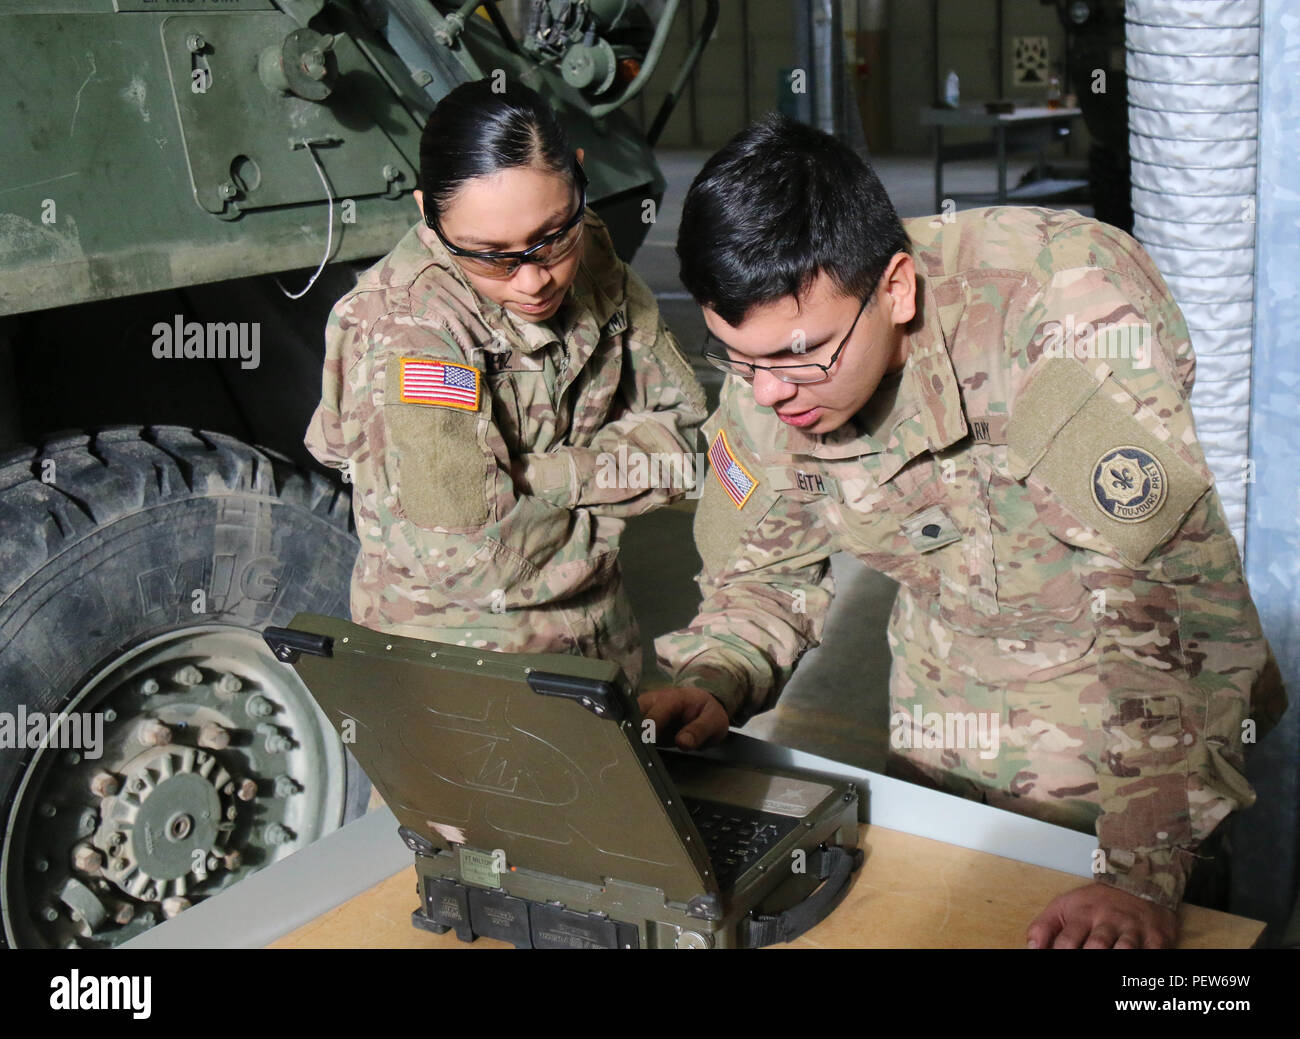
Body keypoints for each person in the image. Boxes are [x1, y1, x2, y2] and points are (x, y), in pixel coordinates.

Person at [642, 113, 1284, 948]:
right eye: (740, 358)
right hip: (937, 734)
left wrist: (1138, 874)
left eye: (798, 359)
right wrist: (716, 672)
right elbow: (763, 572)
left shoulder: (1060, 305)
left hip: (1122, 752)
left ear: (897, 289)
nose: (768, 394)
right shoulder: (778, 365)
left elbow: (1172, 603)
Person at [305, 79, 707, 687]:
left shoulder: (589, 243)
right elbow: (475, 559)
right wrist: (612, 501)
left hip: (602, 648)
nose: (533, 279)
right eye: (491, 255)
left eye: (550, 238)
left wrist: (545, 479)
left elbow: (685, 435)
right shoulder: (408, 331)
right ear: (427, 216)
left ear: (576, 177)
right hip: (462, 673)